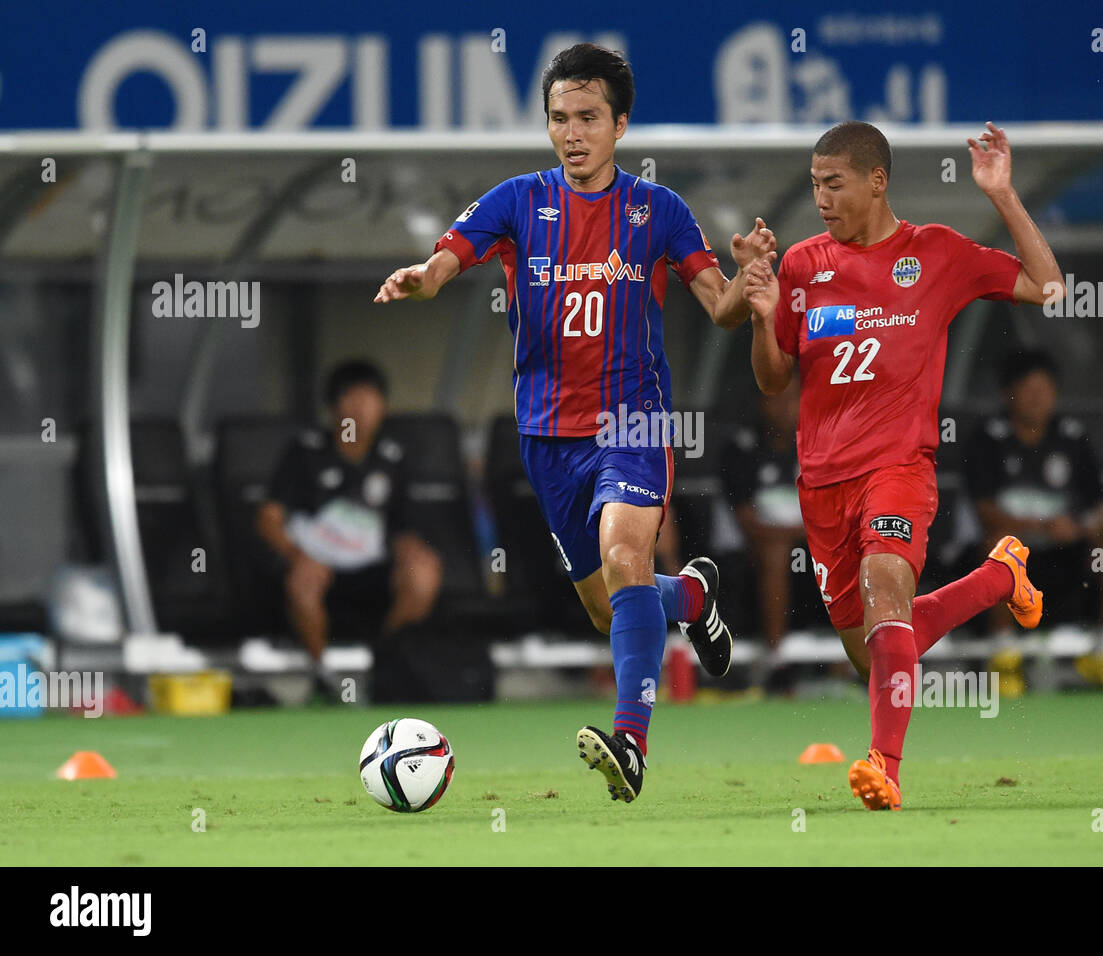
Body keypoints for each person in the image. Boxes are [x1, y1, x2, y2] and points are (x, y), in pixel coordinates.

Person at [374, 43, 775, 802]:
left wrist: (750, 278)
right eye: (560, 118)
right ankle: (690, 597)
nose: (573, 133)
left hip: (634, 422)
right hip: (547, 436)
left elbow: (719, 309)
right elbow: (449, 258)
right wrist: (424, 279)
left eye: (588, 117)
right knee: (606, 607)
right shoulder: (518, 201)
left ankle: (630, 742)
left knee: (626, 559)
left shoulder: (660, 211)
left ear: (620, 124)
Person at [745, 120, 1063, 810]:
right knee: (881, 650)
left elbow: (1048, 286)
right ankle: (998, 576)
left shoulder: (935, 254)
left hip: (899, 466)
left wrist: (1002, 194)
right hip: (821, 483)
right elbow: (774, 382)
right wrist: (762, 314)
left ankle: (883, 766)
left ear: (876, 181)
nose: (822, 198)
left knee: (886, 587)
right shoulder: (801, 264)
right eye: (814, 185)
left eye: (835, 183)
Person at [256, 360, 443, 697]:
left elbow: (405, 527)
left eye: (369, 398)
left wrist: (411, 547)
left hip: (372, 568)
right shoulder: (304, 451)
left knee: (424, 570)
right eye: (351, 397)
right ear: (333, 406)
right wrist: (298, 556)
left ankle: (386, 670)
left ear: (383, 406)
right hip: (315, 563)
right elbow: (268, 518)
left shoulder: (393, 457)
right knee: (305, 579)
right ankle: (326, 681)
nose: (360, 408)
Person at [965, 349, 1103, 687]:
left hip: (1071, 560)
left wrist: (1082, 529)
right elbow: (984, 512)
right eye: (1029, 390)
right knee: (998, 544)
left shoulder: (1072, 437)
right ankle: (1005, 659)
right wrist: (1042, 528)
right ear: (1009, 395)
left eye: (1045, 390)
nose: (1038, 399)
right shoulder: (987, 439)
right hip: (1015, 563)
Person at [720, 383, 808, 690]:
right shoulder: (742, 448)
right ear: (761, 403)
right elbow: (749, 525)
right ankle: (776, 661)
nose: (785, 407)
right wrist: (795, 534)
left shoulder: (818, 444)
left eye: (793, 398)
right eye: (777, 399)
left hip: (814, 544)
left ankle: (858, 661)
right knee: (776, 551)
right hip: (757, 549)